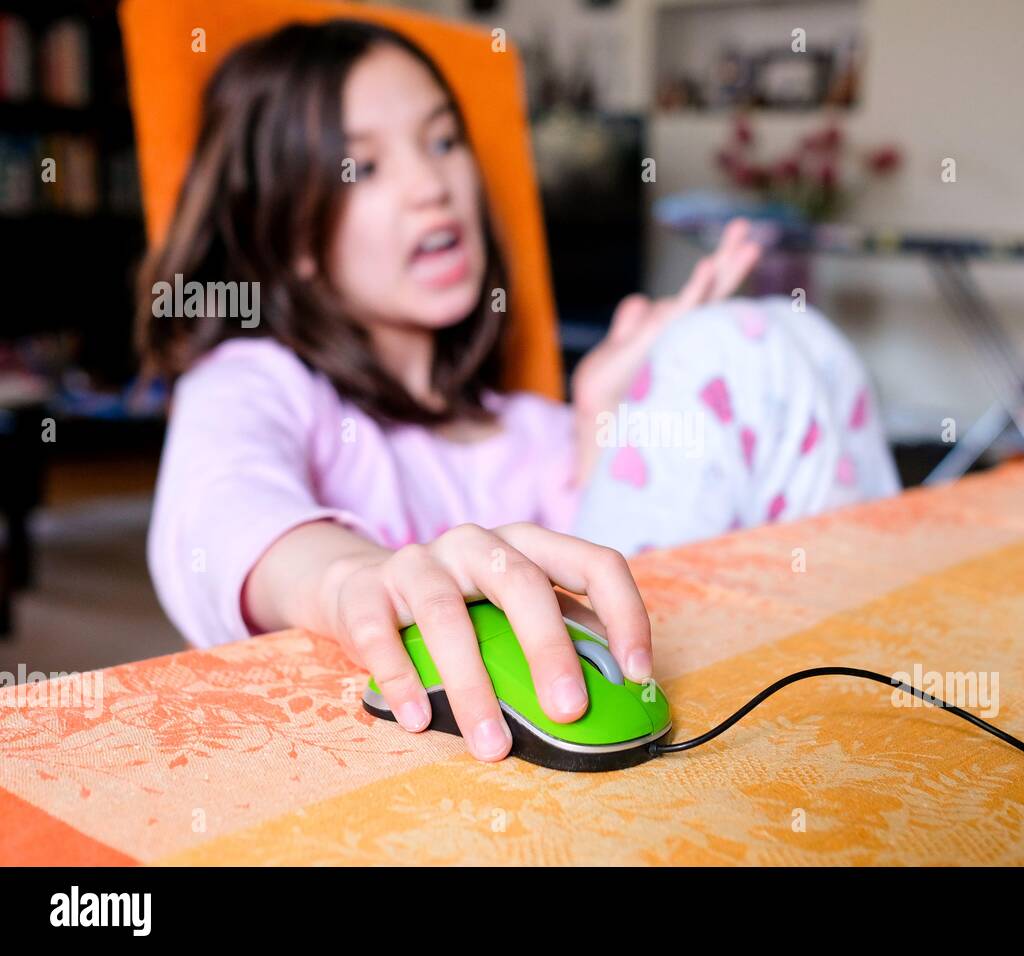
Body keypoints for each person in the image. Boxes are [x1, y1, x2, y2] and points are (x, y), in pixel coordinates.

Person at [142, 20, 898, 763]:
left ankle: (869, 683)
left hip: (659, 673)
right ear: (294, 237)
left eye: (443, 141)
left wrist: (603, 409)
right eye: (361, 167)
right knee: (753, 345)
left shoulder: (532, 430)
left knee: (777, 340)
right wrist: (351, 579)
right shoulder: (257, 381)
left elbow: (614, 568)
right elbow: (217, 512)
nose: (432, 185)